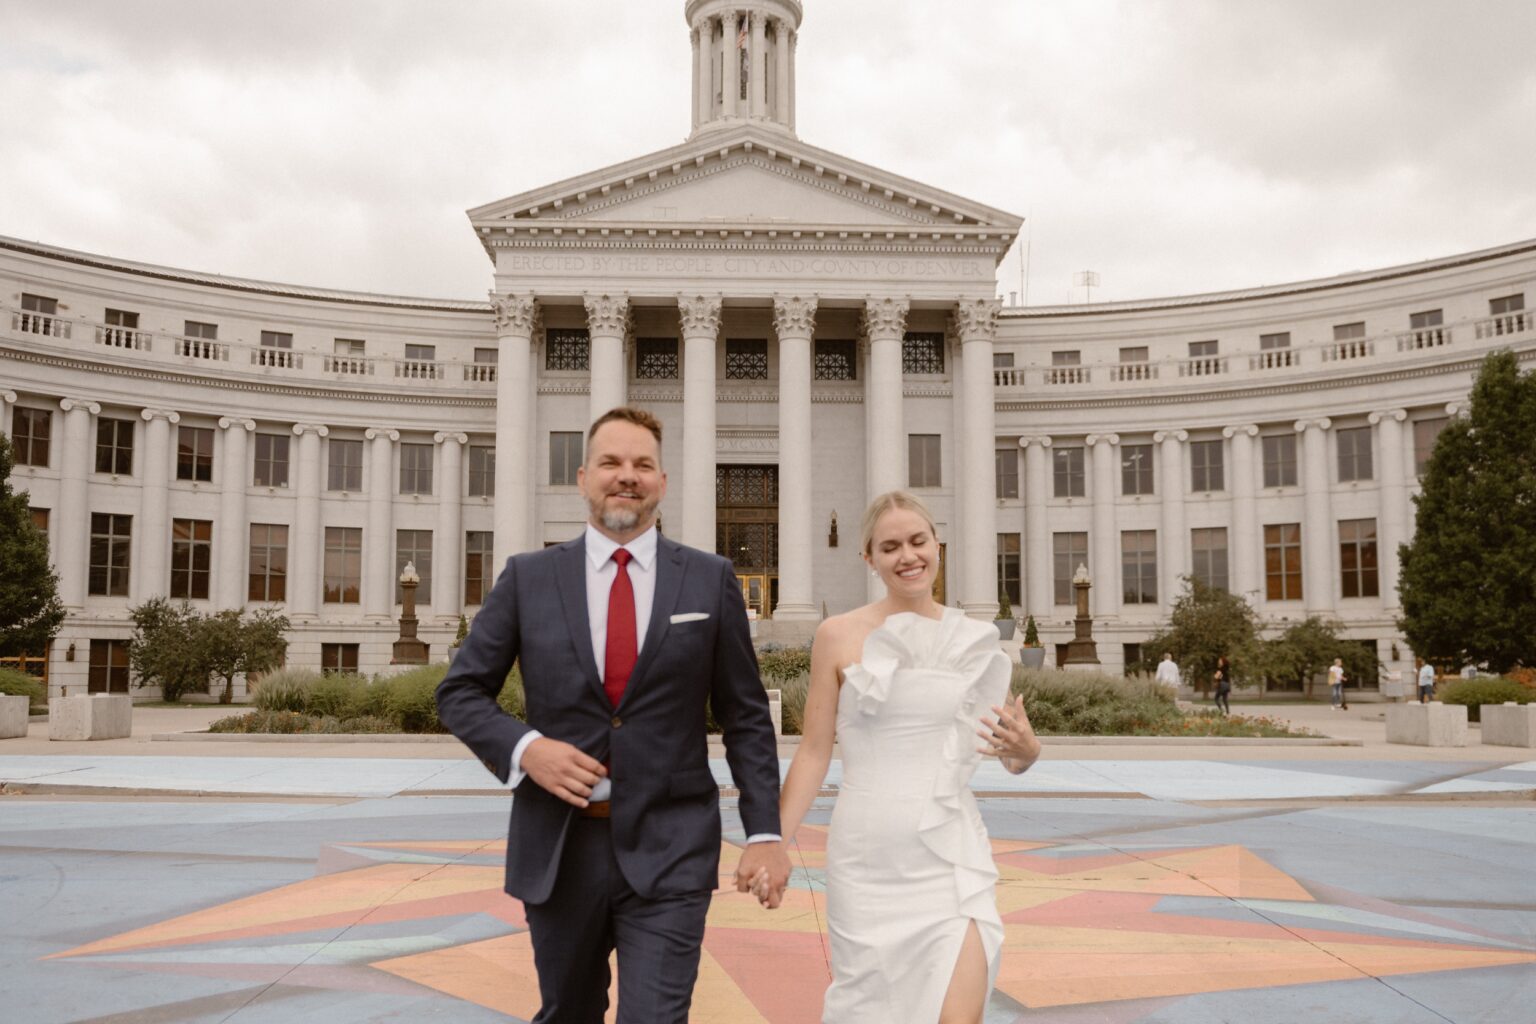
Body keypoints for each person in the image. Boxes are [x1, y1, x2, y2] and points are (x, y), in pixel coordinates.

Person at [435, 407, 789, 1024]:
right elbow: (460, 691)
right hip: (559, 850)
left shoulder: (710, 581)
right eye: (611, 463)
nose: (627, 476)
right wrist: (527, 750)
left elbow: (747, 717)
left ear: (663, 481)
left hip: (671, 846)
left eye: (642, 465)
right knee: (567, 1013)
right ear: (582, 477)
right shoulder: (528, 578)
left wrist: (764, 832)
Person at [770, 491, 1041, 1024]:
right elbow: (814, 752)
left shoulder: (976, 639)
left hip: (950, 855)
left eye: (918, 541)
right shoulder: (837, 635)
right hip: (867, 860)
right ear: (868, 558)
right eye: (890, 546)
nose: (908, 556)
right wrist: (774, 842)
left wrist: (1027, 752)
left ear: (937, 545)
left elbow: (1004, 750)